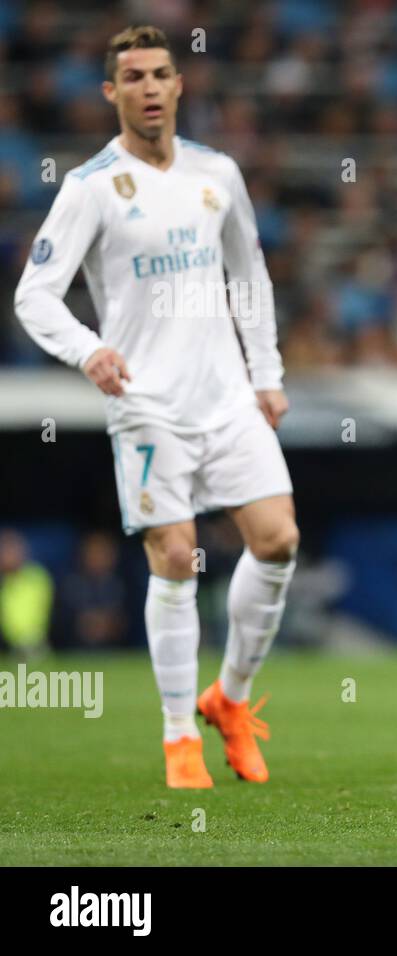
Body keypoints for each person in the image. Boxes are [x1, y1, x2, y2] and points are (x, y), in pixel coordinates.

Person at [13, 25, 299, 789]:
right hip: (146, 403)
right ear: (111, 92)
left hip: (227, 395)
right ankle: (179, 739)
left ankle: (229, 700)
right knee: (175, 557)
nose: (148, 87)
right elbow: (34, 295)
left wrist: (265, 374)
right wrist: (89, 350)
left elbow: (251, 275)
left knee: (278, 541)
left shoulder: (218, 174)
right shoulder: (91, 187)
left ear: (179, 86)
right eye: (132, 76)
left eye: (160, 73)